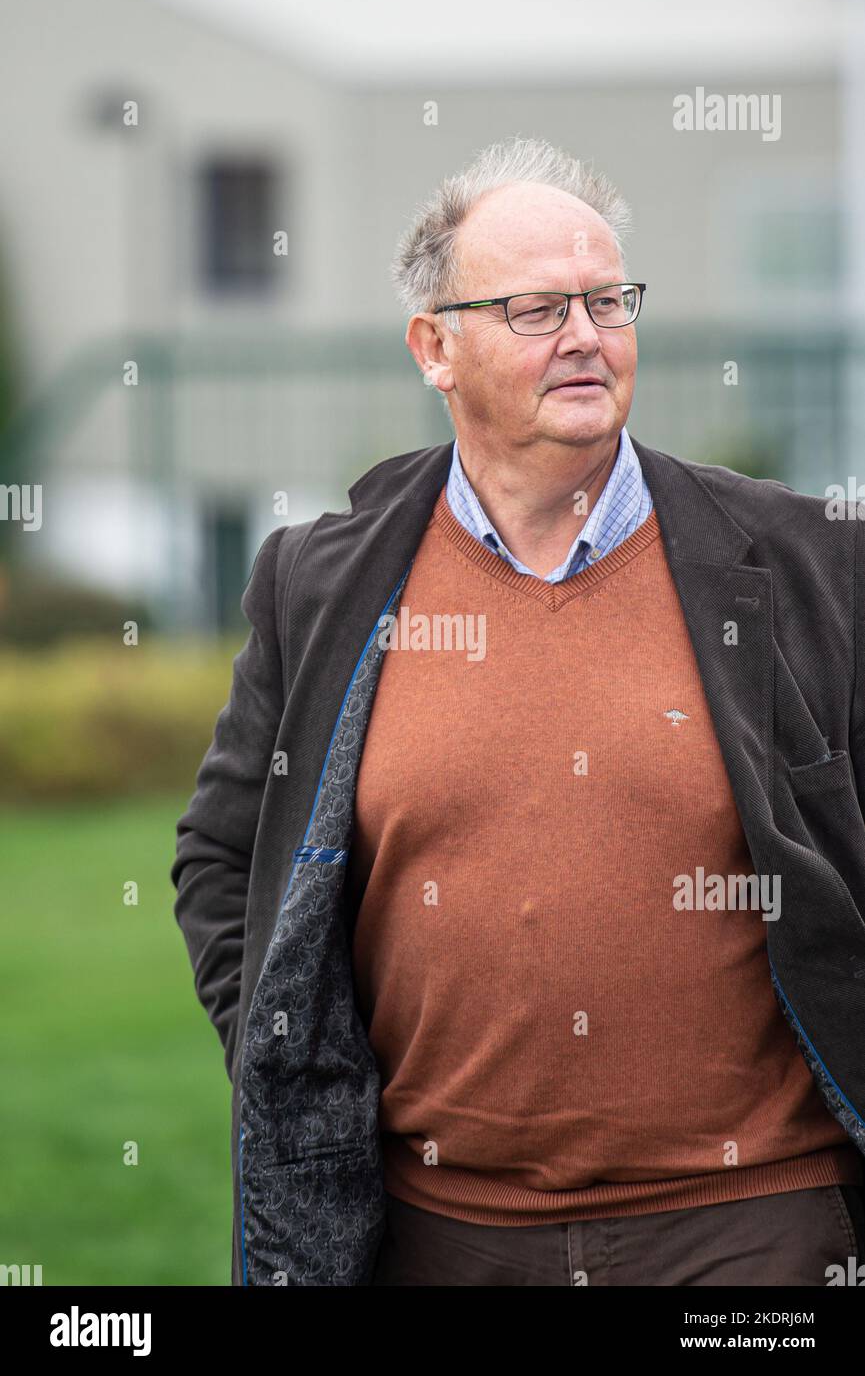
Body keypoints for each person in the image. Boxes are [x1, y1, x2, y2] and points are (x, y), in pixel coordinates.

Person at [171, 136, 865, 1286]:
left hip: (754, 1226)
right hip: (437, 1231)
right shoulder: (322, 581)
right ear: (434, 348)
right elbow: (223, 853)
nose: (586, 335)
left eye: (607, 299)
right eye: (538, 308)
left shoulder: (808, 565)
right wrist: (294, 1060)